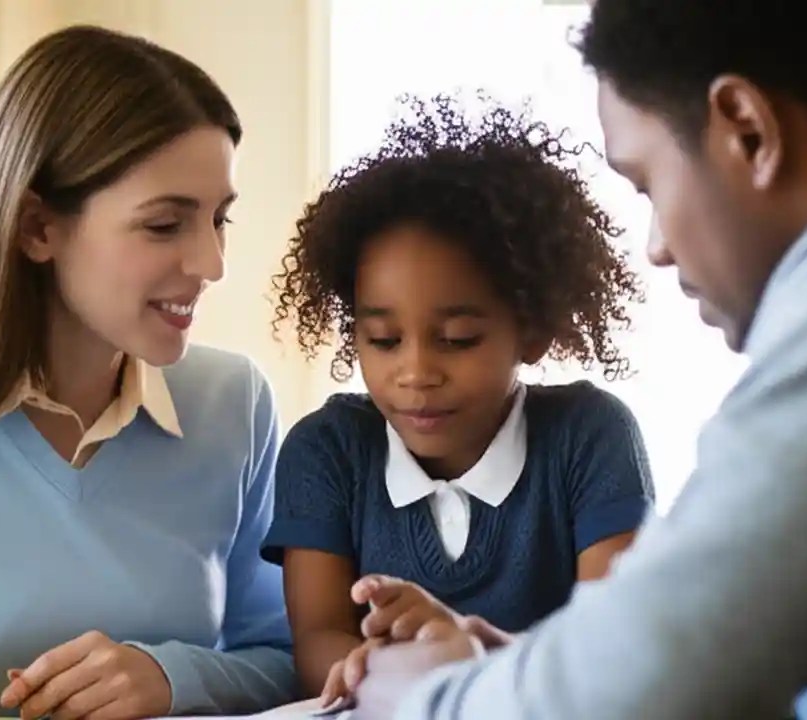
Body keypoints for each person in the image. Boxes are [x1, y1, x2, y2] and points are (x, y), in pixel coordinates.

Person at [348, 0, 807, 718]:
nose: (659, 246)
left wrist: (422, 699)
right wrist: (515, 675)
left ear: (747, 130)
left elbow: (651, 695)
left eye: (647, 182)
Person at [0, 25, 296, 720]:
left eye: (220, 220)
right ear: (37, 227)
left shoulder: (235, 404)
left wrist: (168, 677)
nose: (211, 265)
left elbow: (290, 659)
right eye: (165, 226)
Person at [262, 93, 655, 705]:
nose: (415, 372)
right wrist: (376, 665)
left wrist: (462, 656)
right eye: (383, 339)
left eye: (457, 340)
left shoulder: (590, 437)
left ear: (532, 330)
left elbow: (609, 648)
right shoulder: (326, 451)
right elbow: (318, 642)